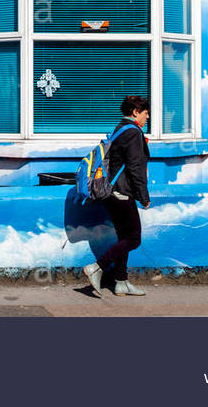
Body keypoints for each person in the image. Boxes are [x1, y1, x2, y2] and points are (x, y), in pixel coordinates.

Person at [84, 95, 151, 298]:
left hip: (111, 192)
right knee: (134, 238)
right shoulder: (132, 132)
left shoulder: (120, 129)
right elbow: (135, 167)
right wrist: (143, 196)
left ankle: (121, 282)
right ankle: (97, 267)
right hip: (121, 192)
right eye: (146, 113)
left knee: (124, 237)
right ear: (135, 112)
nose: (147, 118)